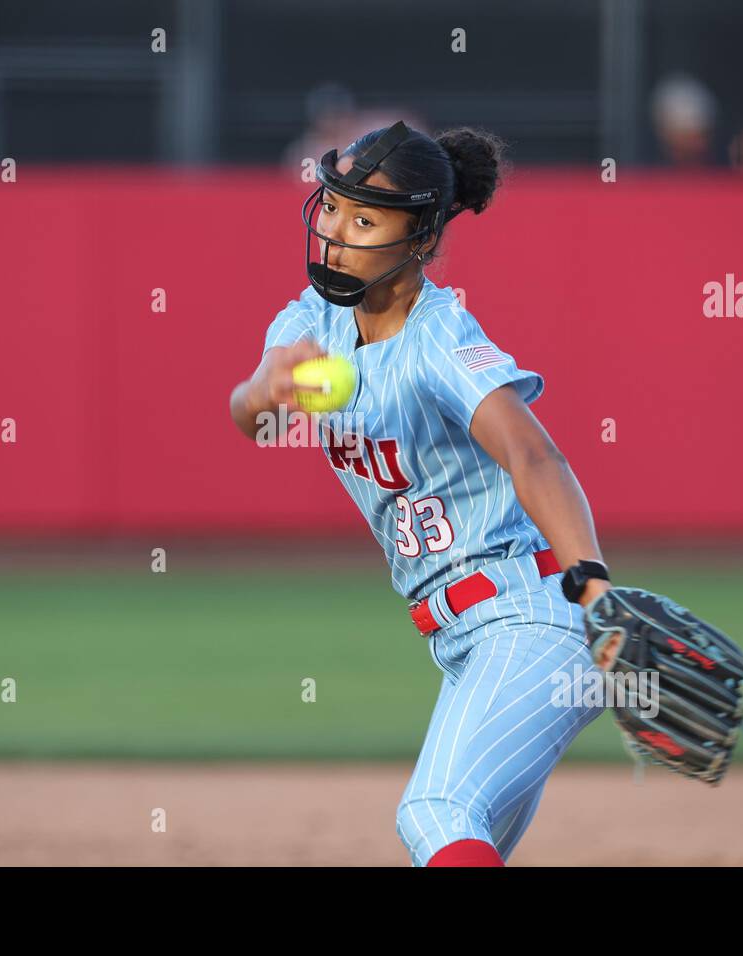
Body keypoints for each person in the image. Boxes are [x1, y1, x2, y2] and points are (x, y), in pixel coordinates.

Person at [229, 121, 614, 867]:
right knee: (448, 846)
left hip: (533, 623)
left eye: (366, 219)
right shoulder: (311, 322)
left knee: (435, 811)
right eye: (334, 207)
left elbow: (533, 456)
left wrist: (593, 581)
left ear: (420, 238)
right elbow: (251, 416)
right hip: (465, 641)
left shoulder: (439, 336)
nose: (338, 231)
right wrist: (261, 390)